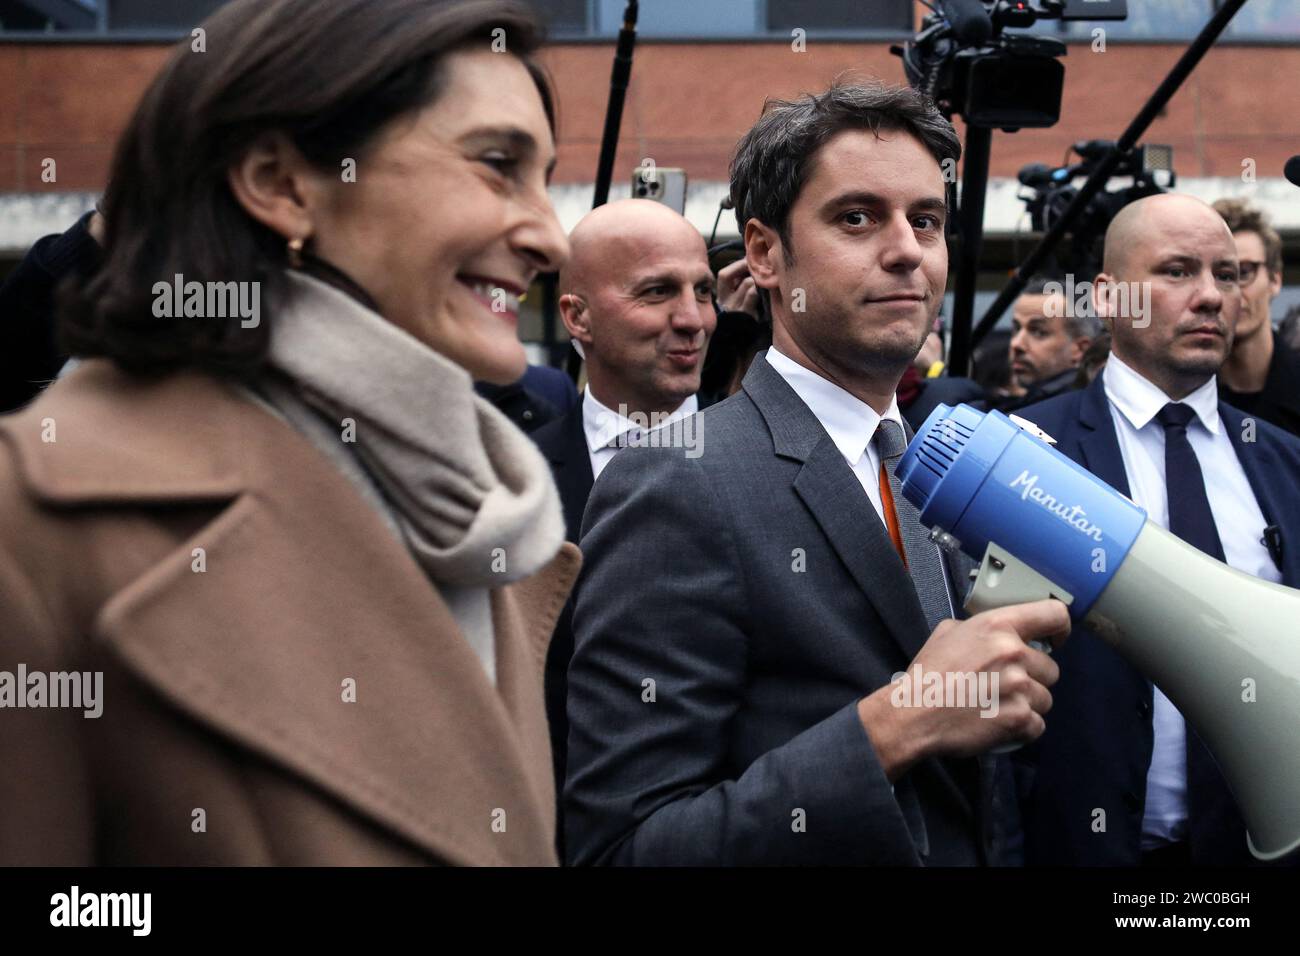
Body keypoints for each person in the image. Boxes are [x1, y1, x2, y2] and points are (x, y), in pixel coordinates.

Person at [0, 0, 576, 866]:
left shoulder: (475, 515)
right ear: (279, 182)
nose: (550, 235)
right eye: (497, 165)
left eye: (546, 177)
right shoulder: (35, 524)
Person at [563, 81, 1070, 866]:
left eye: (926, 220)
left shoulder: (948, 467)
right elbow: (625, 848)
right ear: (764, 254)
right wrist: (898, 724)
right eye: (857, 218)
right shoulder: (673, 482)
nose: (906, 248)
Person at [1015, 193, 1300, 866]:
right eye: (1177, 272)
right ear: (1109, 297)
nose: (1210, 297)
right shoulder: (1030, 455)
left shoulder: (1286, 466)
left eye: (1227, 275)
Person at [530, 198, 717, 818]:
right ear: (576, 317)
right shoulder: (511, 484)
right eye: (658, 291)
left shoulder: (783, 468)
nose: (692, 318)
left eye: (704, 291)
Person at [1212, 198, 1300, 437]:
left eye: (1245, 272)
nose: (1234, 291)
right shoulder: (1180, 395)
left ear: (1275, 280)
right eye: (1222, 275)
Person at [1006, 274, 1099, 406]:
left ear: (1080, 349)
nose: (1016, 344)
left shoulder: (1070, 413)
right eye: (1016, 328)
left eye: (1038, 332)